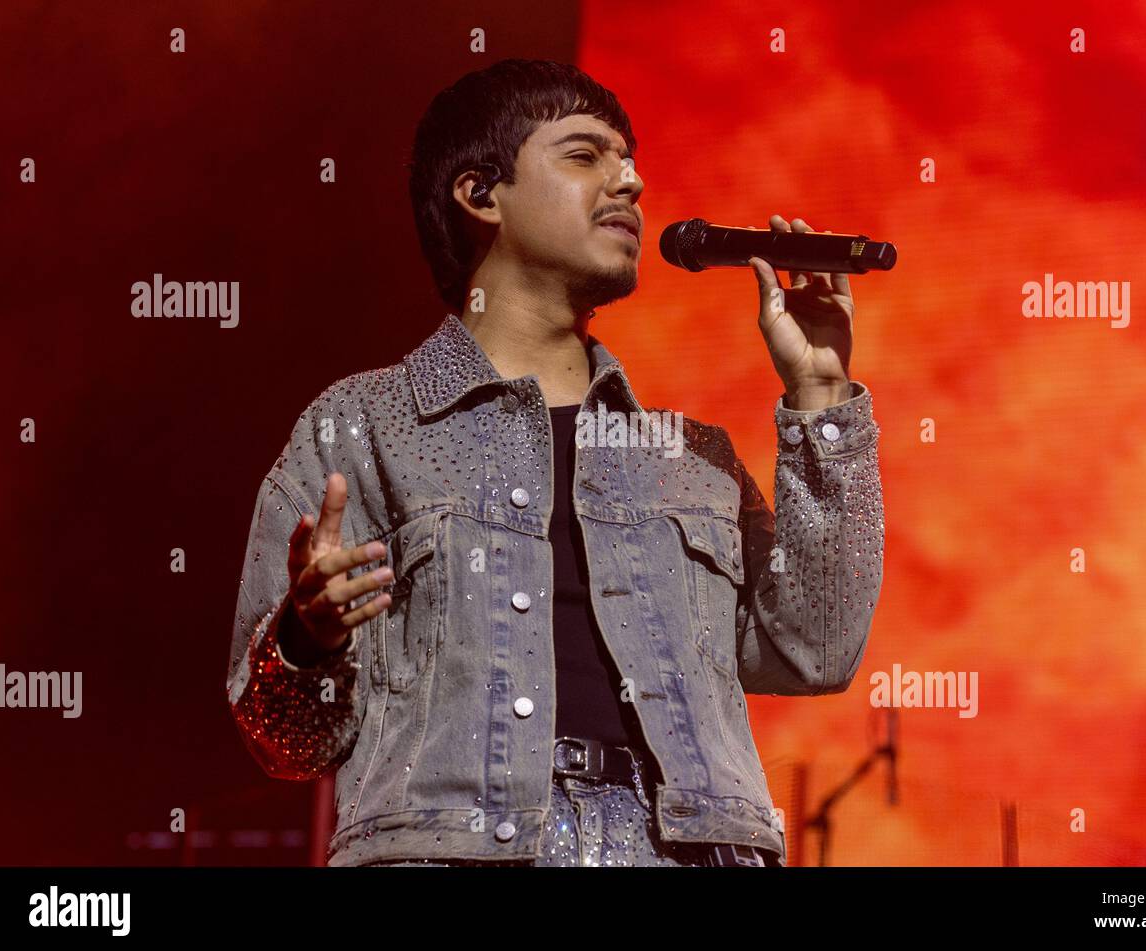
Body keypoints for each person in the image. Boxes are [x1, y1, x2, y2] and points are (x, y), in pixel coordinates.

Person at [226, 58, 884, 867]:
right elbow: (285, 741)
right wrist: (309, 636)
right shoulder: (363, 427)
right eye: (586, 156)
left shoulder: (688, 456)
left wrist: (819, 393)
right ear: (480, 194)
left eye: (632, 161)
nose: (632, 184)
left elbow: (815, 650)